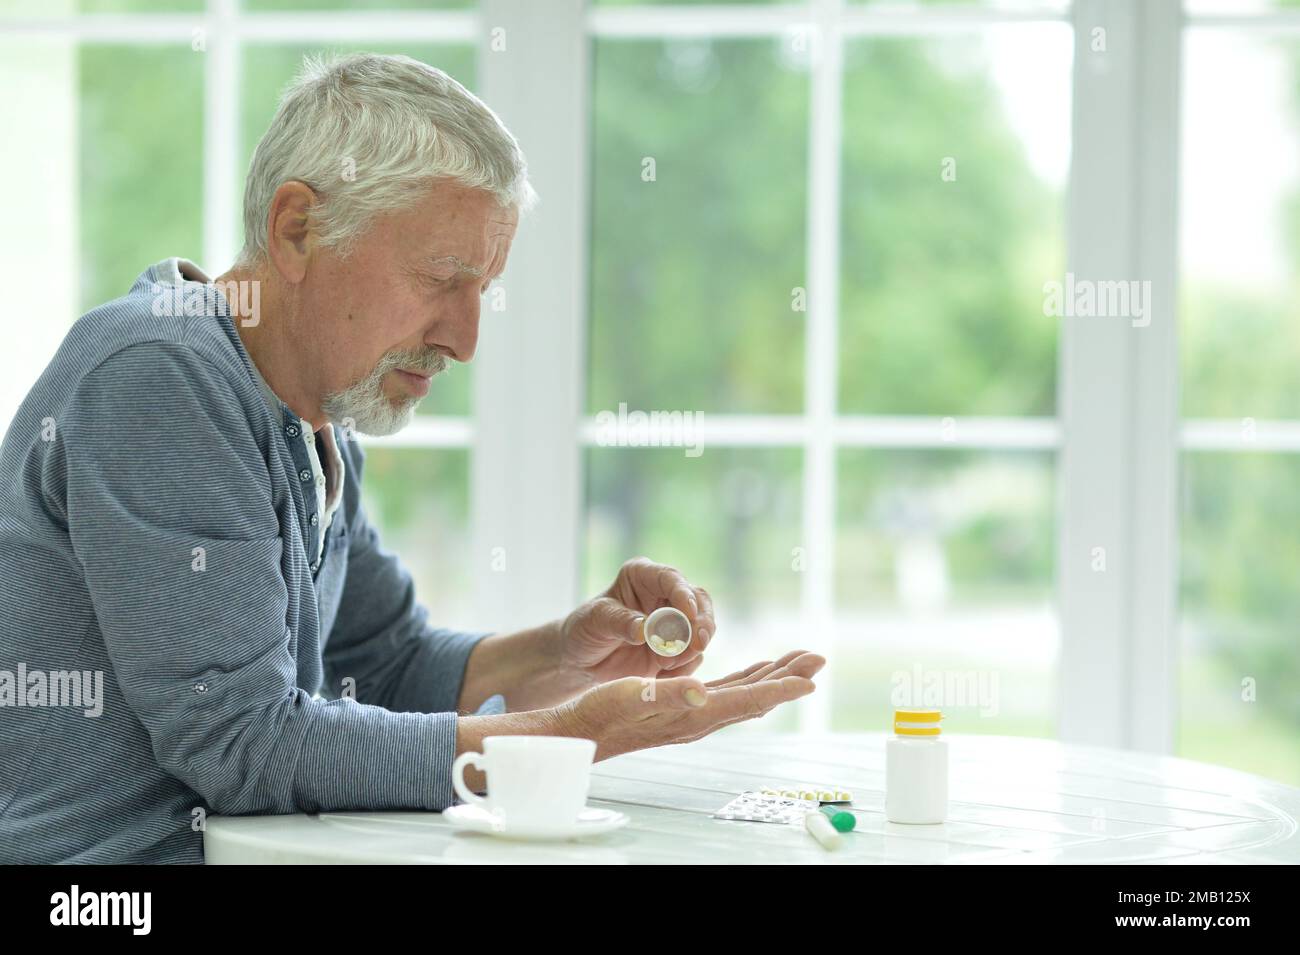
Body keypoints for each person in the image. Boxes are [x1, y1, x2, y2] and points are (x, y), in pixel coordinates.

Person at [0, 52, 823, 864]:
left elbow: (384, 664)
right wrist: (575, 734)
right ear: (298, 229)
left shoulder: (312, 416)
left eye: (481, 292)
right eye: (440, 278)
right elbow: (245, 744)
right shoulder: (159, 374)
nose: (463, 340)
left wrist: (566, 653)